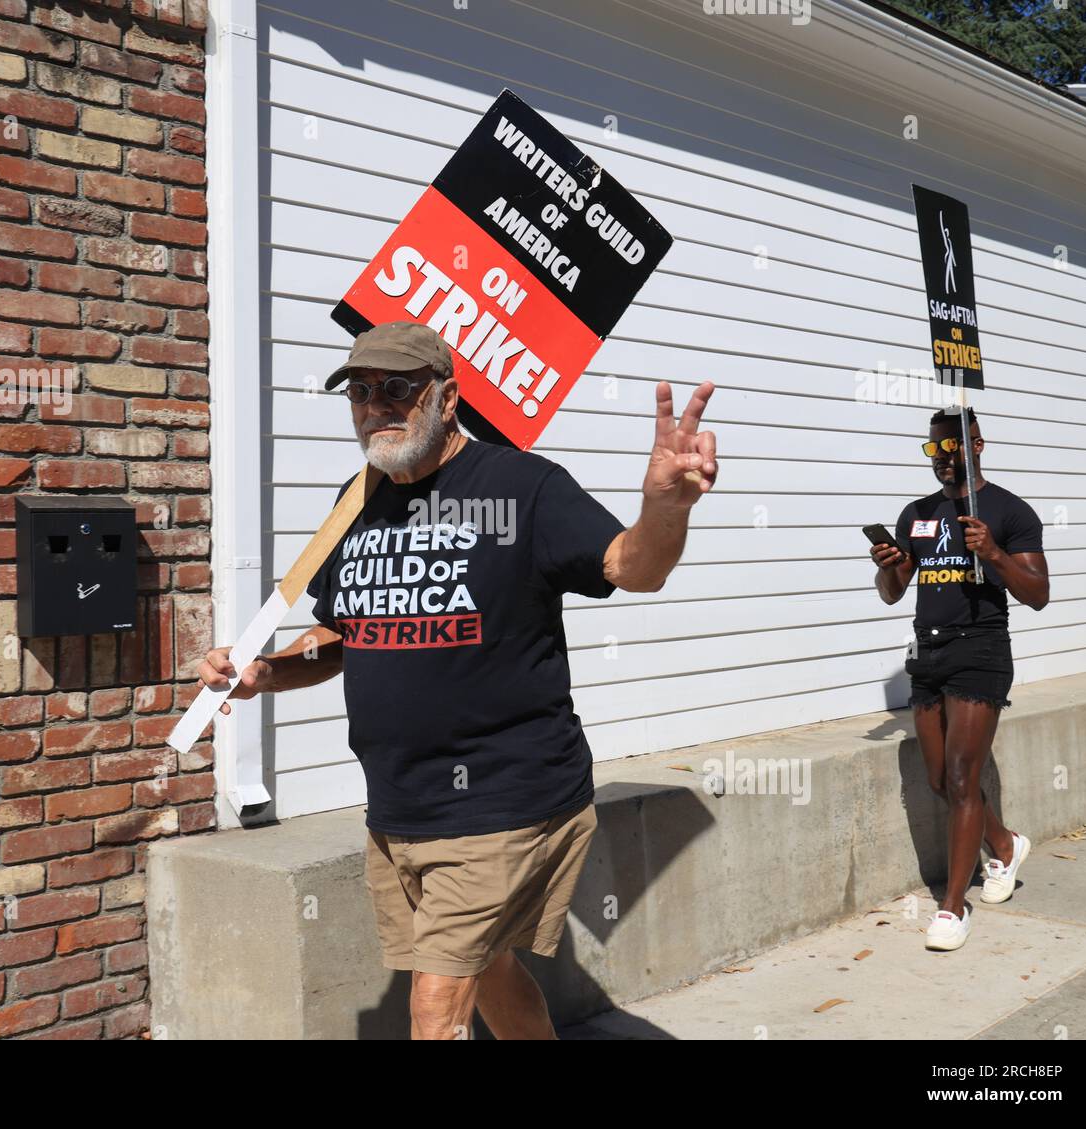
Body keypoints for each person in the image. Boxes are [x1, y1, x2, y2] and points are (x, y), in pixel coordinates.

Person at [196, 321, 718, 1038]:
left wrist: (665, 508)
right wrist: (266, 672)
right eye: (360, 391)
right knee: (492, 972)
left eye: (397, 389)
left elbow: (634, 567)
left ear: (449, 397)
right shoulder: (356, 501)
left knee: (434, 1009)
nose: (375, 405)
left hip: (503, 800)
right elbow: (344, 635)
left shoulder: (523, 486)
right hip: (399, 805)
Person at [870, 407, 1048, 952]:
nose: (942, 460)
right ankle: (1005, 843)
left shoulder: (1008, 510)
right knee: (942, 780)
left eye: (952, 448)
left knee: (964, 777)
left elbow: (1038, 593)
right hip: (928, 652)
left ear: (977, 445)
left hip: (981, 651)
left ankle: (953, 907)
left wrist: (993, 552)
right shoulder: (917, 513)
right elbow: (893, 591)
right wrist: (887, 562)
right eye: (933, 450)